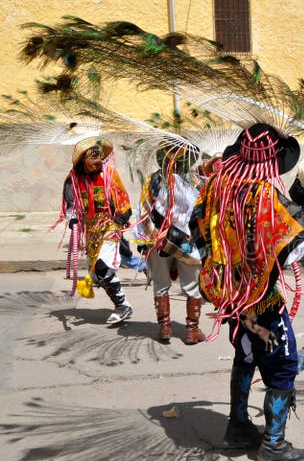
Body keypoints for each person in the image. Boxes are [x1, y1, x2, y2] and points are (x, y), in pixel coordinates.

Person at [191, 124, 304, 461]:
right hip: (261, 302)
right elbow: (303, 238)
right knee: (283, 364)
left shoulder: (215, 187)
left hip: (231, 298)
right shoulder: (264, 195)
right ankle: (273, 445)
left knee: (246, 356)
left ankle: (238, 427)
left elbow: (196, 226)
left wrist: (221, 262)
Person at [136, 143, 205, 344]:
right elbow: (203, 213)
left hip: (159, 238)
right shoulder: (197, 182)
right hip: (187, 241)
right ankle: (192, 330)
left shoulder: (153, 180)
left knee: (161, 283)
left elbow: (143, 211)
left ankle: (165, 328)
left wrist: (148, 238)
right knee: (192, 285)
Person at [61, 136, 134, 325]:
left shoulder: (109, 173)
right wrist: (73, 219)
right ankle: (122, 305)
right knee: (97, 273)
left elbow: (123, 200)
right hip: (91, 230)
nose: (99, 161)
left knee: (102, 268)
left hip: (110, 225)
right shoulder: (73, 180)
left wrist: (120, 220)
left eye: (100, 157)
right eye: (94, 157)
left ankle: (122, 306)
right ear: (83, 160)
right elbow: (70, 206)